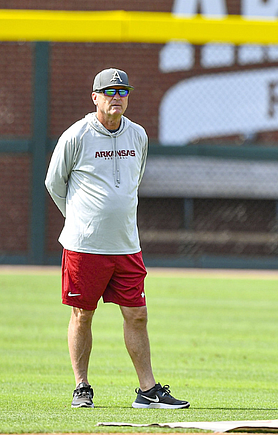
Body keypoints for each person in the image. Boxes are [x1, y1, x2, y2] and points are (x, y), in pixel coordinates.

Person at [45, 68, 189, 409]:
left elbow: (134, 180)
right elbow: (54, 183)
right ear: (94, 96)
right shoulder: (76, 135)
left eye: (122, 91)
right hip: (85, 245)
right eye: (109, 91)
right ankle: (82, 386)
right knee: (82, 314)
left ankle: (148, 391)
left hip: (126, 244)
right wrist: (79, 217)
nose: (116, 97)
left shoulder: (137, 134)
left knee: (137, 315)